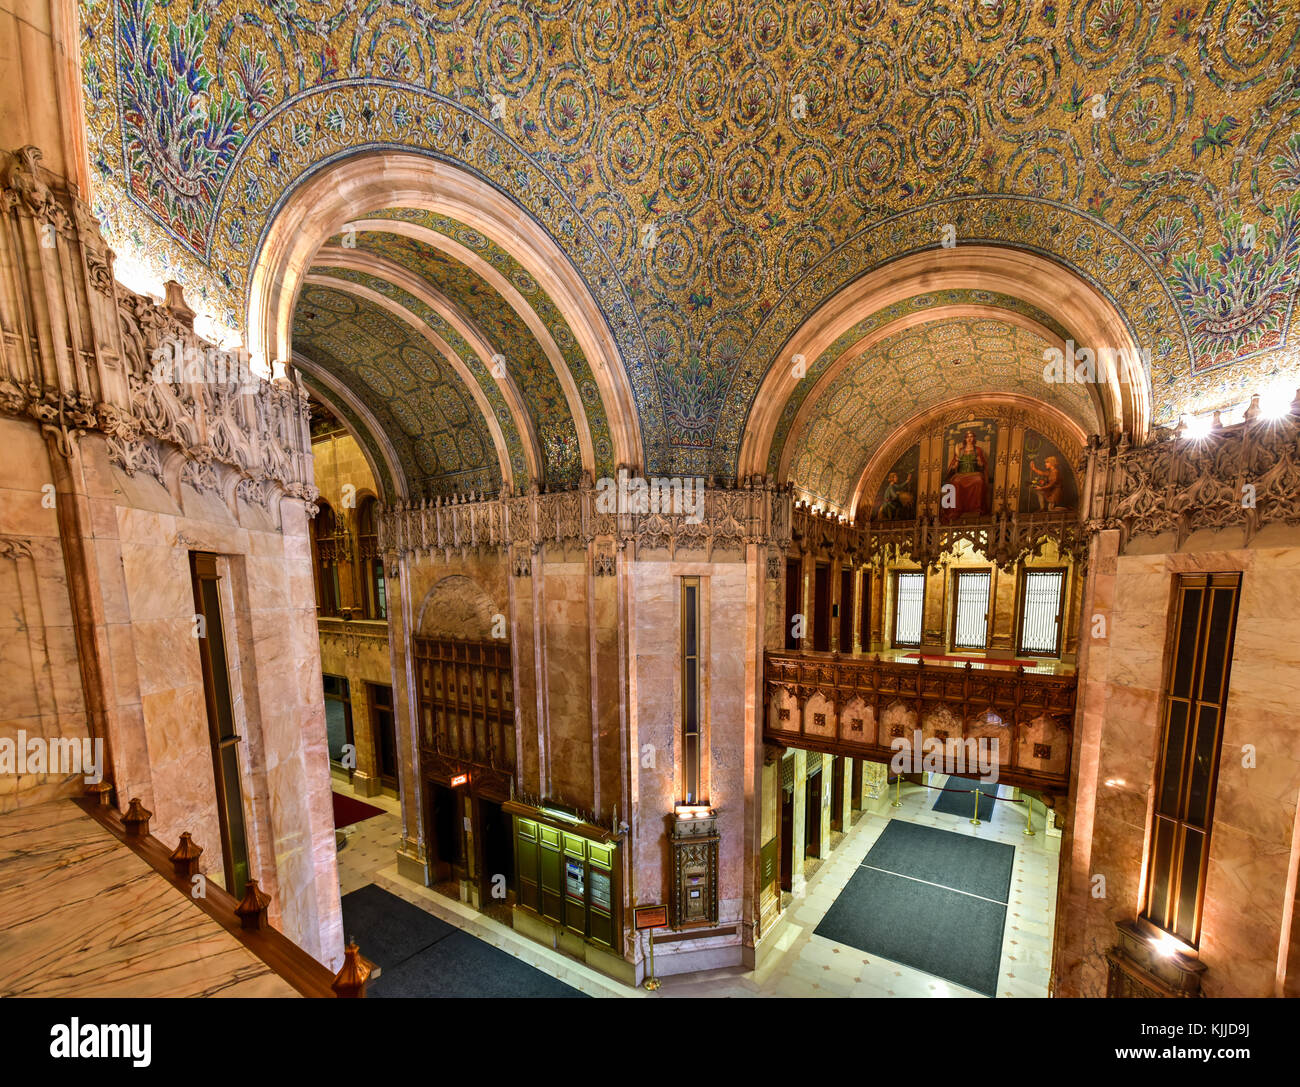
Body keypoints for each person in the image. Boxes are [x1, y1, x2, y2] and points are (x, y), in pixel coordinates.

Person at [943, 430, 989, 519]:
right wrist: (955, 465)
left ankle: (976, 509)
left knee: (979, 481)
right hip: (961, 474)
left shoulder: (978, 450)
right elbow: (954, 466)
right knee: (955, 482)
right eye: (968, 437)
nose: (969, 439)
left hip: (974, 473)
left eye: (971, 436)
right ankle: (956, 510)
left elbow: (982, 466)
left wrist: (980, 463)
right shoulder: (960, 451)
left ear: (974, 438)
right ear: (965, 439)